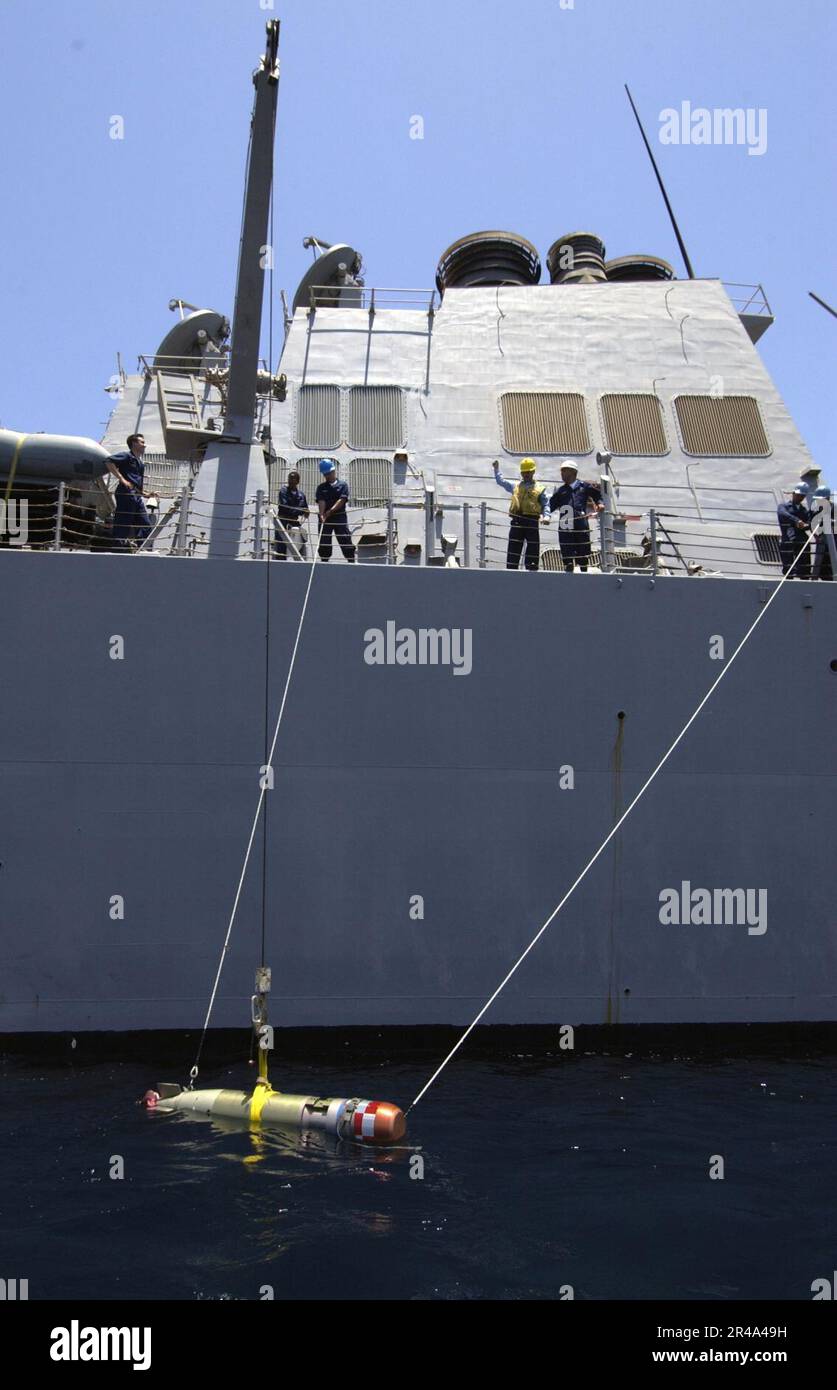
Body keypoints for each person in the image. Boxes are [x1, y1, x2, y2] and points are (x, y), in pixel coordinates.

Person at [492, 457, 549, 570]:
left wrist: (546, 516)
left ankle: (532, 568)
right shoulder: (515, 486)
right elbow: (501, 482)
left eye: (528, 472)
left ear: (533, 472)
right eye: (524, 472)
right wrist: (496, 469)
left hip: (532, 520)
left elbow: (545, 503)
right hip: (517, 519)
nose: (526, 474)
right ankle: (511, 568)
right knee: (514, 546)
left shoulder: (540, 488)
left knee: (533, 545)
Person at [549, 459, 604, 572]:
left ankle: (583, 567)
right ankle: (568, 565)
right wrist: (542, 514)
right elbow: (550, 505)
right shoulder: (561, 491)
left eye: (565, 470)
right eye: (562, 471)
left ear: (573, 472)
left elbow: (597, 495)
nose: (562, 473)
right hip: (566, 517)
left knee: (583, 543)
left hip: (580, 517)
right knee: (566, 544)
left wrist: (600, 503)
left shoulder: (584, 486)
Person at [106, 433, 152, 550]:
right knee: (123, 522)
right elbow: (108, 461)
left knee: (145, 524)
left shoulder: (140, 463)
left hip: (136, 496)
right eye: (142, 442)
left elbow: (136, 482)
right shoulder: (126, 456)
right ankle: (118, 548)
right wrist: (122, 479)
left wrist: (145, 494)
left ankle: (143, 548)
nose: (144, 445)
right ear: (134, 444)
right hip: (125, 493)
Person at [315, 459, 355, 562]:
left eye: (328, 473)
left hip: (339, 516)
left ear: (333, 471)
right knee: (324, 540)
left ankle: (351, 560)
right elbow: (321, 501)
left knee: (344, 538)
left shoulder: (343, 485)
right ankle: (324, 560)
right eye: (325, 474)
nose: (327, 476)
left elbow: (341, 500)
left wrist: (330, 511)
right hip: (325, 518)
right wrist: (322, 514)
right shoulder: (321, 487)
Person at [777, 484, 811, 578]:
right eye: (799, 495)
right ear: (793, 494)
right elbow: (783, 514)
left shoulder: (804, 510)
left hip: (802, 540)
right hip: (788, 539)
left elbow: (809, 522)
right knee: (788, 568)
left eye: (803, 496)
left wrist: (808, 525)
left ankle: (804, 580)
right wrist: (797, 521)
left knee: (805, 568)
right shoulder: (783, 506)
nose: (800, 497)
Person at [273, 469, 309, 559]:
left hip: (294, 521)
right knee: (281, 546)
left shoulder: (301, 495)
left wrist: (306, 512)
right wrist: (301, 510)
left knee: (300, 543)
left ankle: (300, 563)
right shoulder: (283, 491)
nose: (291, 481)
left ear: (298, 481)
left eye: (294, 479)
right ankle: (280, 564)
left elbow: (305, 508)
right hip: (283, 521)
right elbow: (285, 508)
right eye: (290, 478)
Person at [809, 482, 834, 581]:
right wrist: (815, 535)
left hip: (834, 542)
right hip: (822, 540)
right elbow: (811, 522)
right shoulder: (815, 509)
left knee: (831, 564)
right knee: (820, 564)